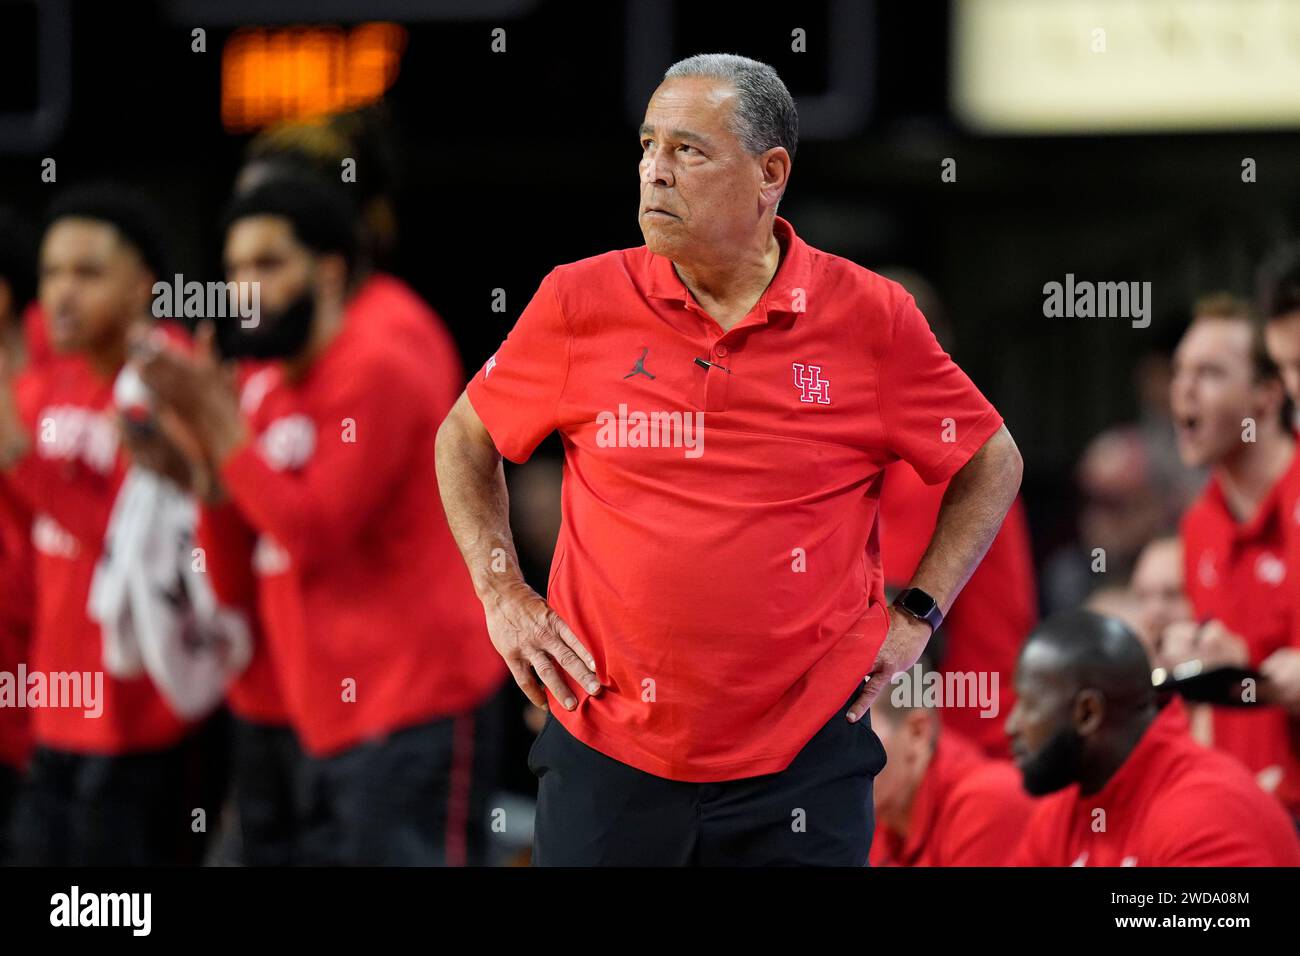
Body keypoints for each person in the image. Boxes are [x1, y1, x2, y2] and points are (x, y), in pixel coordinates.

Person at [436, 53, 1023, 865]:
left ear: (770, 173)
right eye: (647, 147)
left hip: (804, 757)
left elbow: (991, 459)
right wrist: (501, 590)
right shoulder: (579, 301)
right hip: (610, 747)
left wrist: (919, 612)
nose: (654, 173)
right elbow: (463, 436)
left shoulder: (871, 317)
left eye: (688, 150)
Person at [133, 175, 506, 865]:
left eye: (269, 264)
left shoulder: (380, 362)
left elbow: (314, 534)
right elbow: (237, 582)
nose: (247, 288)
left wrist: (219, 427)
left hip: (412, 704)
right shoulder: (266, 377)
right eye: (236, 268)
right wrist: (206, 476)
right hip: (314, 711)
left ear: (330, 270)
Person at [0, 185, 194, 864]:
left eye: (87, 273)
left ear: (142, 284)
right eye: (52, 273)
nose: (62, 293)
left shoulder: (164, 384)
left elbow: (133, 541)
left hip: (139, 717)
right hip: (54, 711)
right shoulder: (45, 382)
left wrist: (22, 462)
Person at [1008, 610, 1300, 866]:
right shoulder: (1059, 816)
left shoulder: (1204, 811)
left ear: (1088, 713)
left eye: (1028, 704)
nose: (1011, 726)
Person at [1167, 293, 1300, 816]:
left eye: (1210, 373)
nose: (1184, 389)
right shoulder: (1198, 524)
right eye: (1179, 371)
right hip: (1241, 814)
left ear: (1267, 396)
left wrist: (1247, 668)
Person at [869, 661, 1033, 866]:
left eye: (855, 737)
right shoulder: (877, 812)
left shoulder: (990, 801)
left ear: (917, 732)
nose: (837, 760)